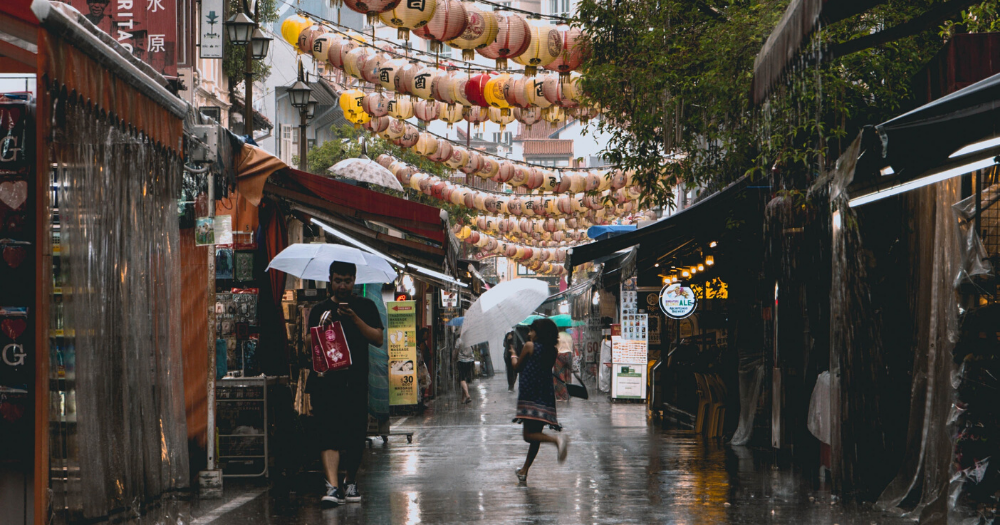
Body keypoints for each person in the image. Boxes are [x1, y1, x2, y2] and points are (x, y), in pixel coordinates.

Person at [308, 261, 384, 506]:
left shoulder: (366, 306)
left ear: (355, 280)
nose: (342, 286)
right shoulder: (319, 309)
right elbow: (311, 345)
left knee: (354, 434)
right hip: (326, 383)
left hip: (356, 382)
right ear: (330, 279)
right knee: (327, 433)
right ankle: (331, 486)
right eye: (338, 280)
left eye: (347, 280)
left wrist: (355, 320)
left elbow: (378, 339)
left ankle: (350, 482)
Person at [510, 318, 568, 484]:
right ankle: (524, 470)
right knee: (536, 436)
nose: (529, 334)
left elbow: (517, 367)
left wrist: (513, 353)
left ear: (539, 333)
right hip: (545, 394)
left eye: (532, 330)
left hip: (530, 394)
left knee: (529, 435)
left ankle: (556, 440)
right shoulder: (552, 350)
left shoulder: (529, 346)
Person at [456, 333, 474, 404]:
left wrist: (454, 357)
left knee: (462, 379)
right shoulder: (471, 340)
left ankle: (467, 395)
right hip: (470, 361)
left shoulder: (459, 340)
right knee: (466, 380)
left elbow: (456, 350)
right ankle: (463, 398)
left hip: (461, 361)